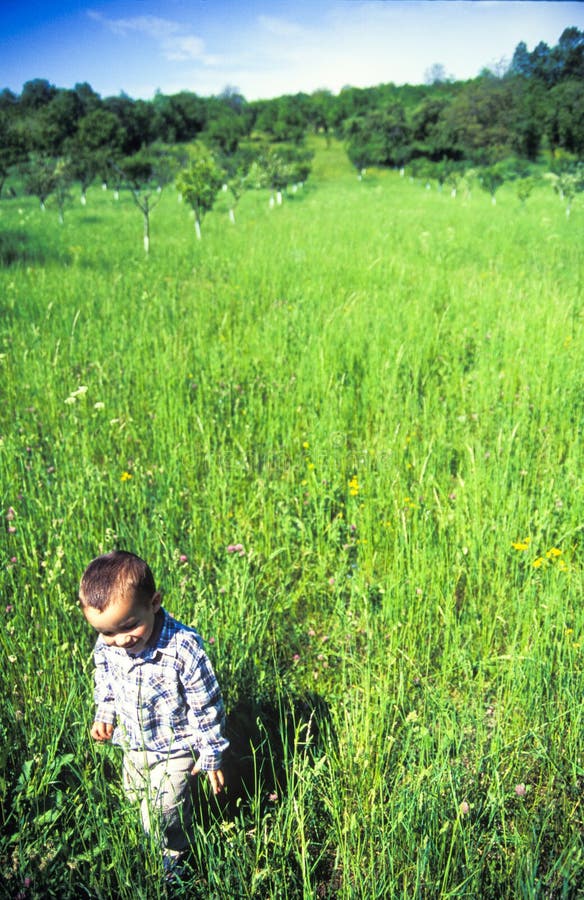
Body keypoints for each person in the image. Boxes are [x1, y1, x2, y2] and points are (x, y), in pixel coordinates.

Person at [79, 550, 228, 875]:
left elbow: (206, 703)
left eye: (129, 626)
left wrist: (211, 751)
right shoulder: (109, 643)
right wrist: (104, 713)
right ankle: (148, 846)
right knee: (135, 801)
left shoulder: (183, 648)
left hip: (176, 747)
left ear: (155, 602)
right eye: (106, 632)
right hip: (133, 743)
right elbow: (103, 673)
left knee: (162, 812)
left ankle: (175, 859)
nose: (119, 641)